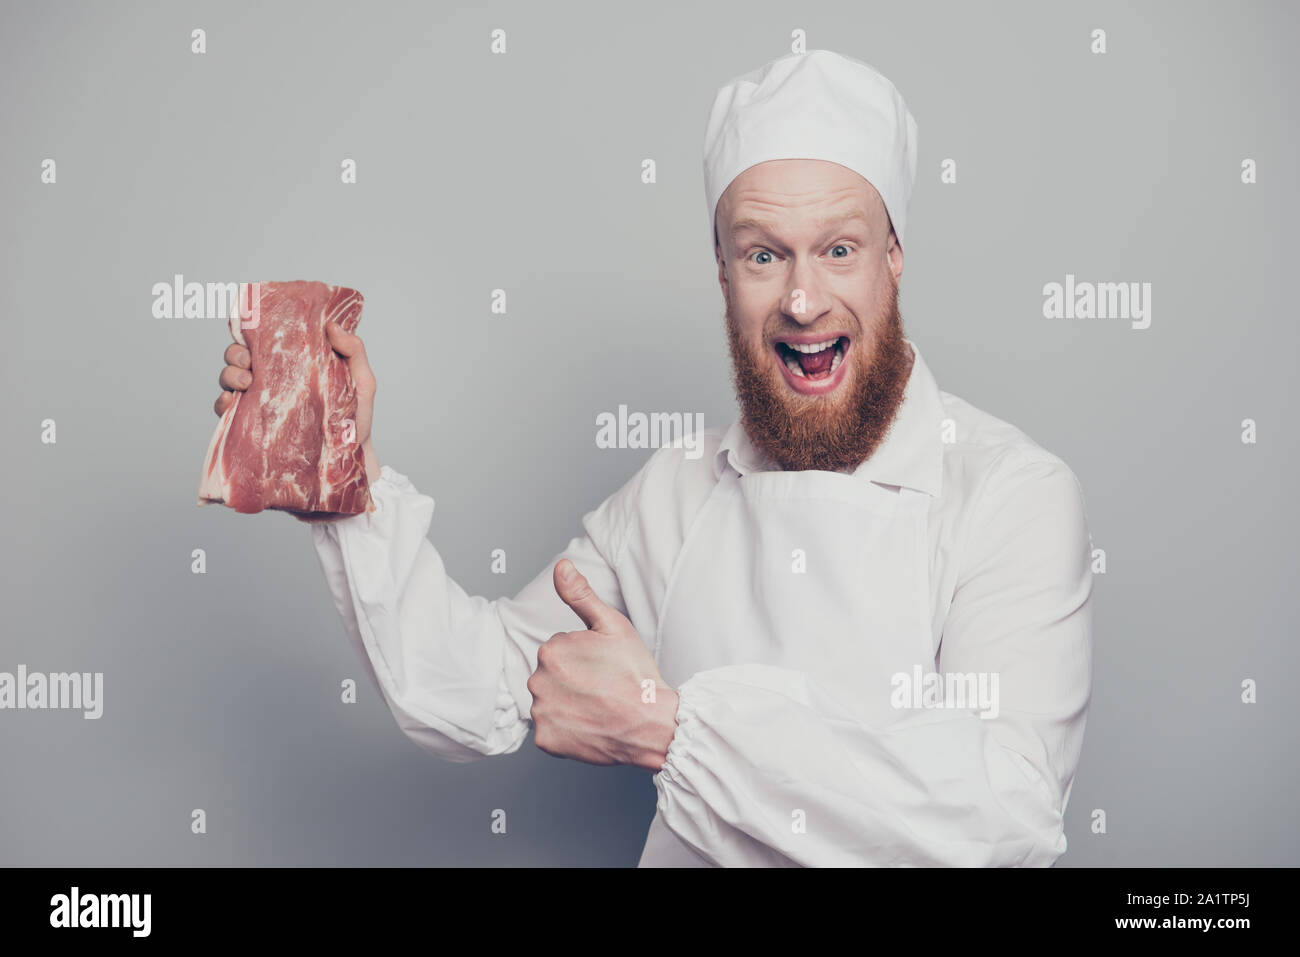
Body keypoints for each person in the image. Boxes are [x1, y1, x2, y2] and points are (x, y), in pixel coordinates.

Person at [213, 49, 1094, 867]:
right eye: (762, 254)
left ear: (893, 258)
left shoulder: (1008, 495)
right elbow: (476, 689)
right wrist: (341, 478)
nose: (800, 296)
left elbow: (1007, 814)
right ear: (721, 272)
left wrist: (672, 730)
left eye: (838, 248)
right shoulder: (674, 493)